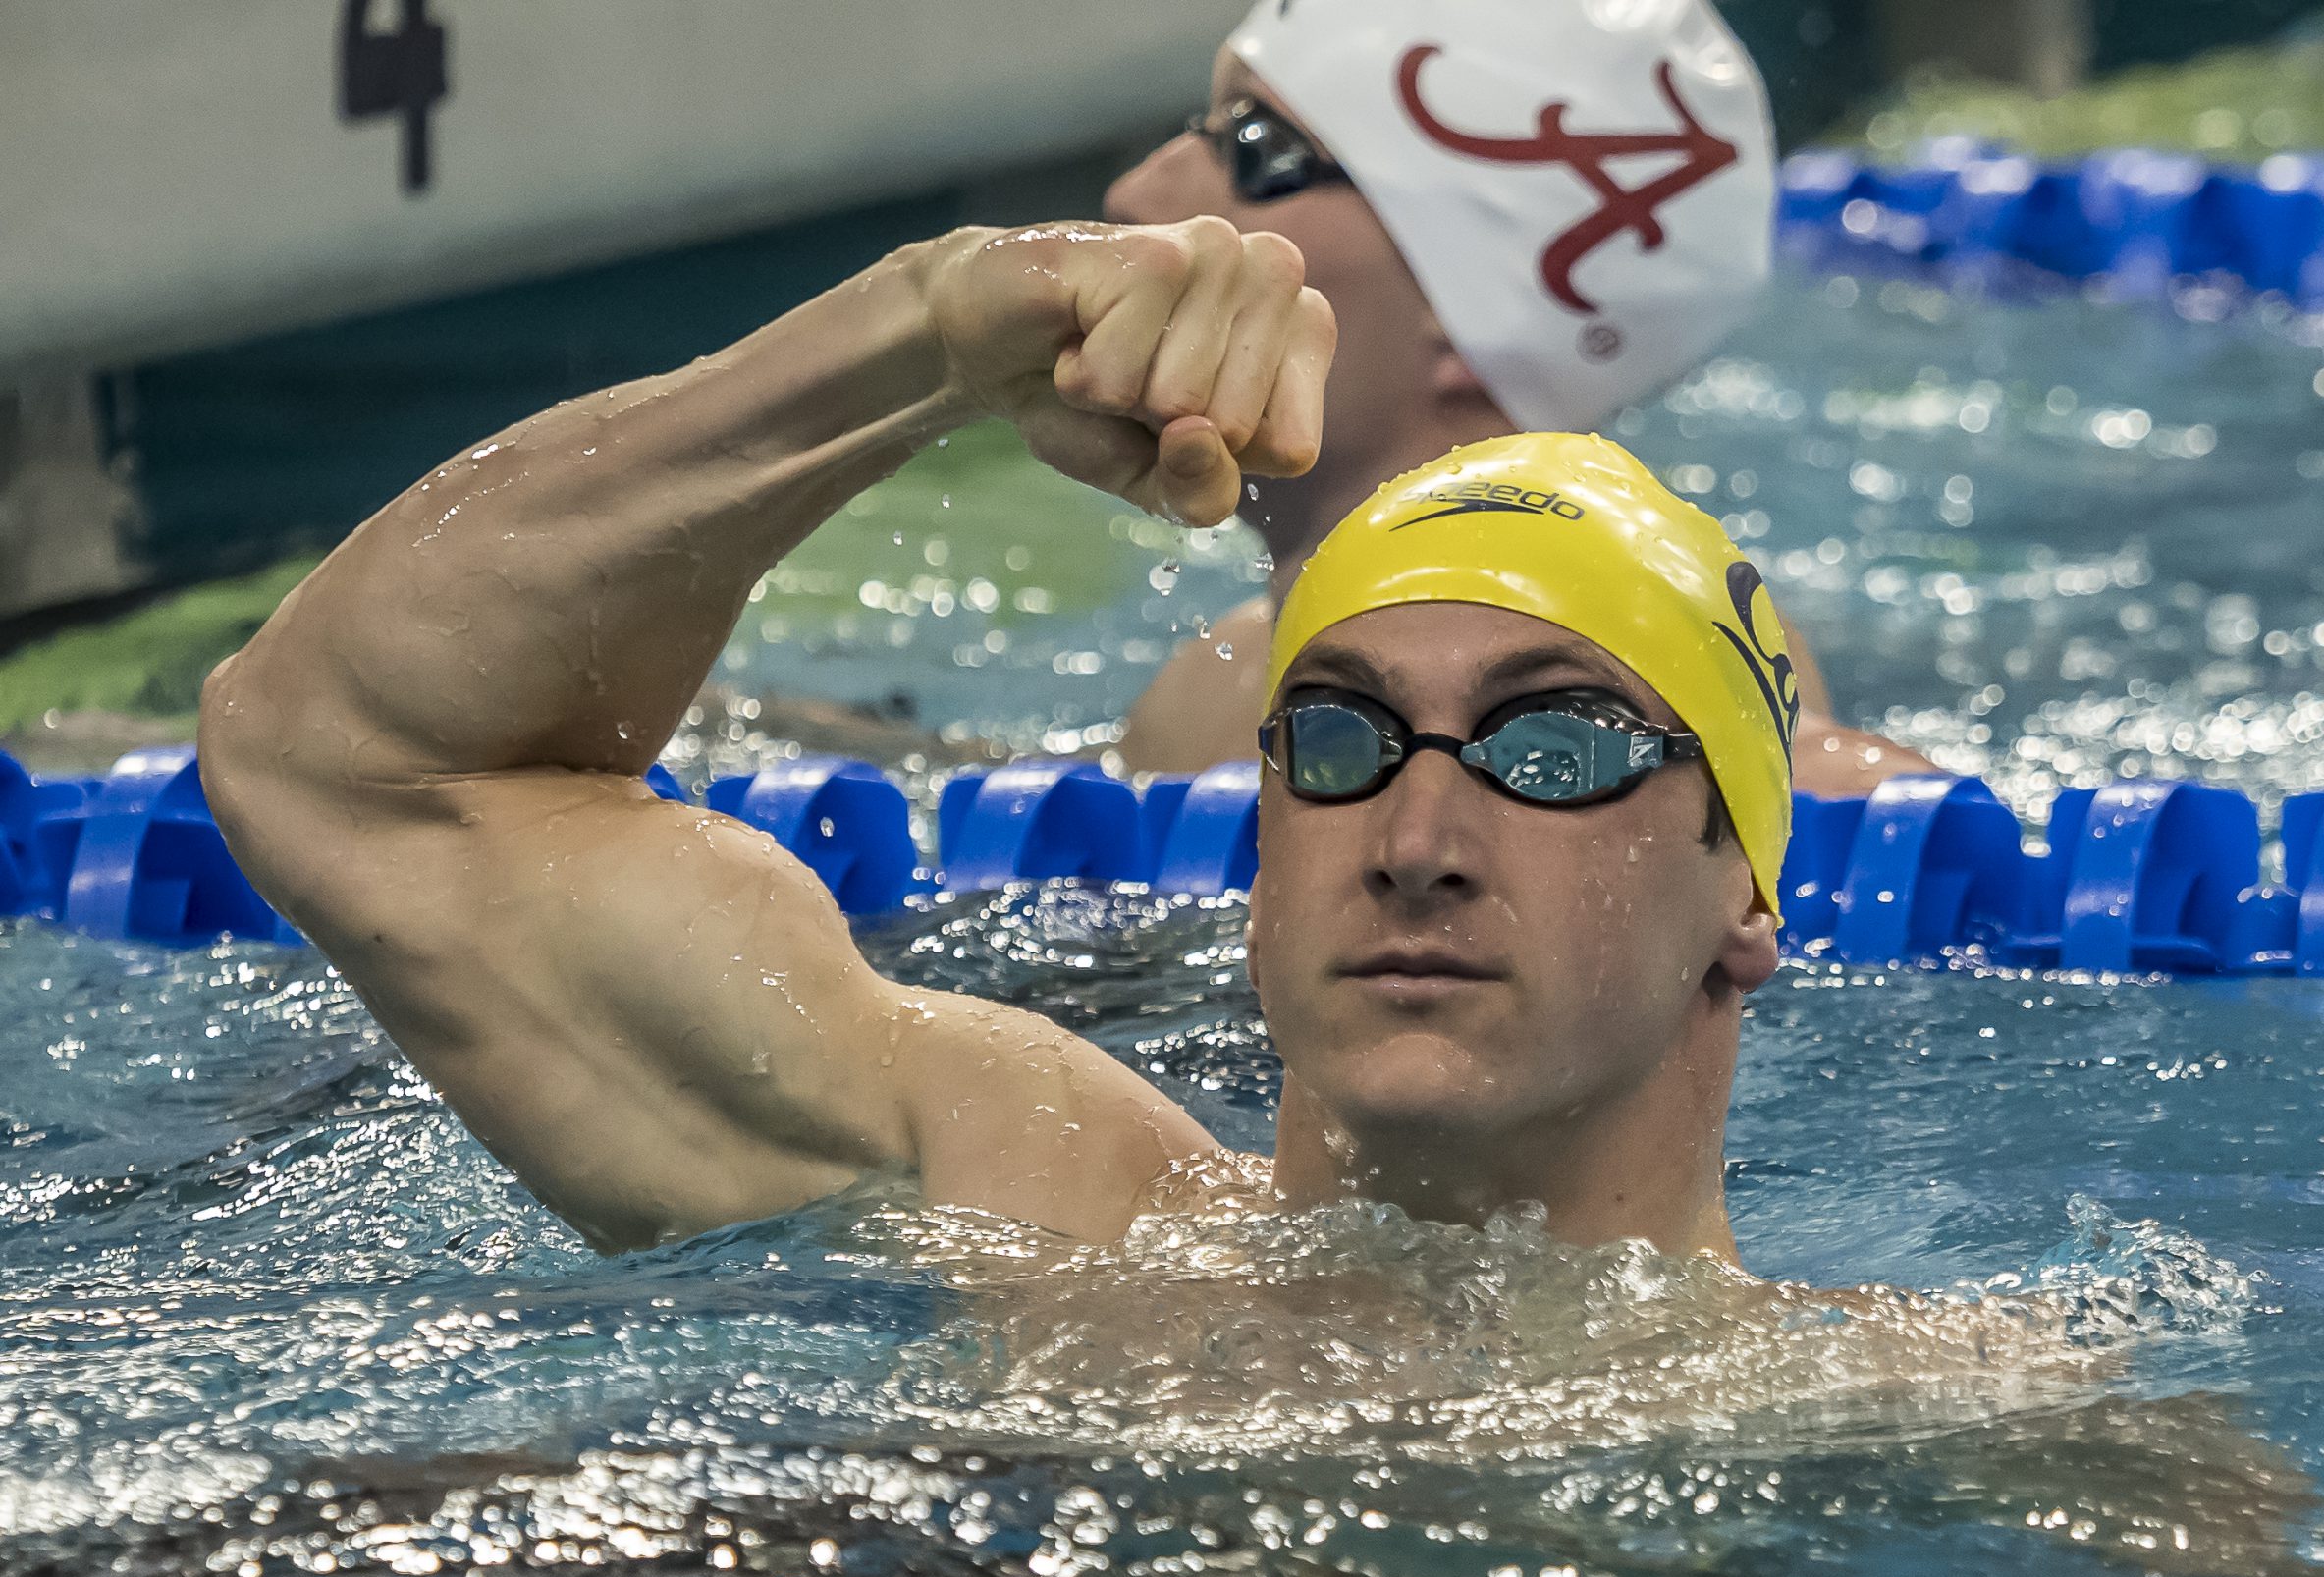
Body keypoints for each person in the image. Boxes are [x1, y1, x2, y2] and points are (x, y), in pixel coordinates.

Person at [198, 190, 1796, 1266]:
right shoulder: (1027, 1207)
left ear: (1746, 893)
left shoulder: (1919, 1415)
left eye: (1553, 753)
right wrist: (928, 335)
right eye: (1341, 740)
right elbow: (340, 761)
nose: (1420, 846)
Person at [1108, 0, 1933, 793]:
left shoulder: (1669, 685)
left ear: (1475, 303)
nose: (1136, 196)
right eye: (1196, 126)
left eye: (1257, 149)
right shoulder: (1207, 693)